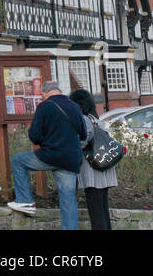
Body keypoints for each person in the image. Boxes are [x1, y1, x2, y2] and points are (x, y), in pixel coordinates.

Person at [7, 80, 85, 229]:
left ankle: (25, 201)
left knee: (18, 161)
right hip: (70, 159)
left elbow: (34, 136)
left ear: (44, 93)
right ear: (59, 90)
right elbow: (82, 133)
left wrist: (47, 140)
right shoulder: (75, 106)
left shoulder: (44, 106)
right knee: (68, 200)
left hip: (49, 156)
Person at [70, 88, 116, 230]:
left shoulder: (85, 119)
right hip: (102, 169)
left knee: (96, 211)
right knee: (102, 209)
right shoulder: (95, 118)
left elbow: (83, 140)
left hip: (93, 172)